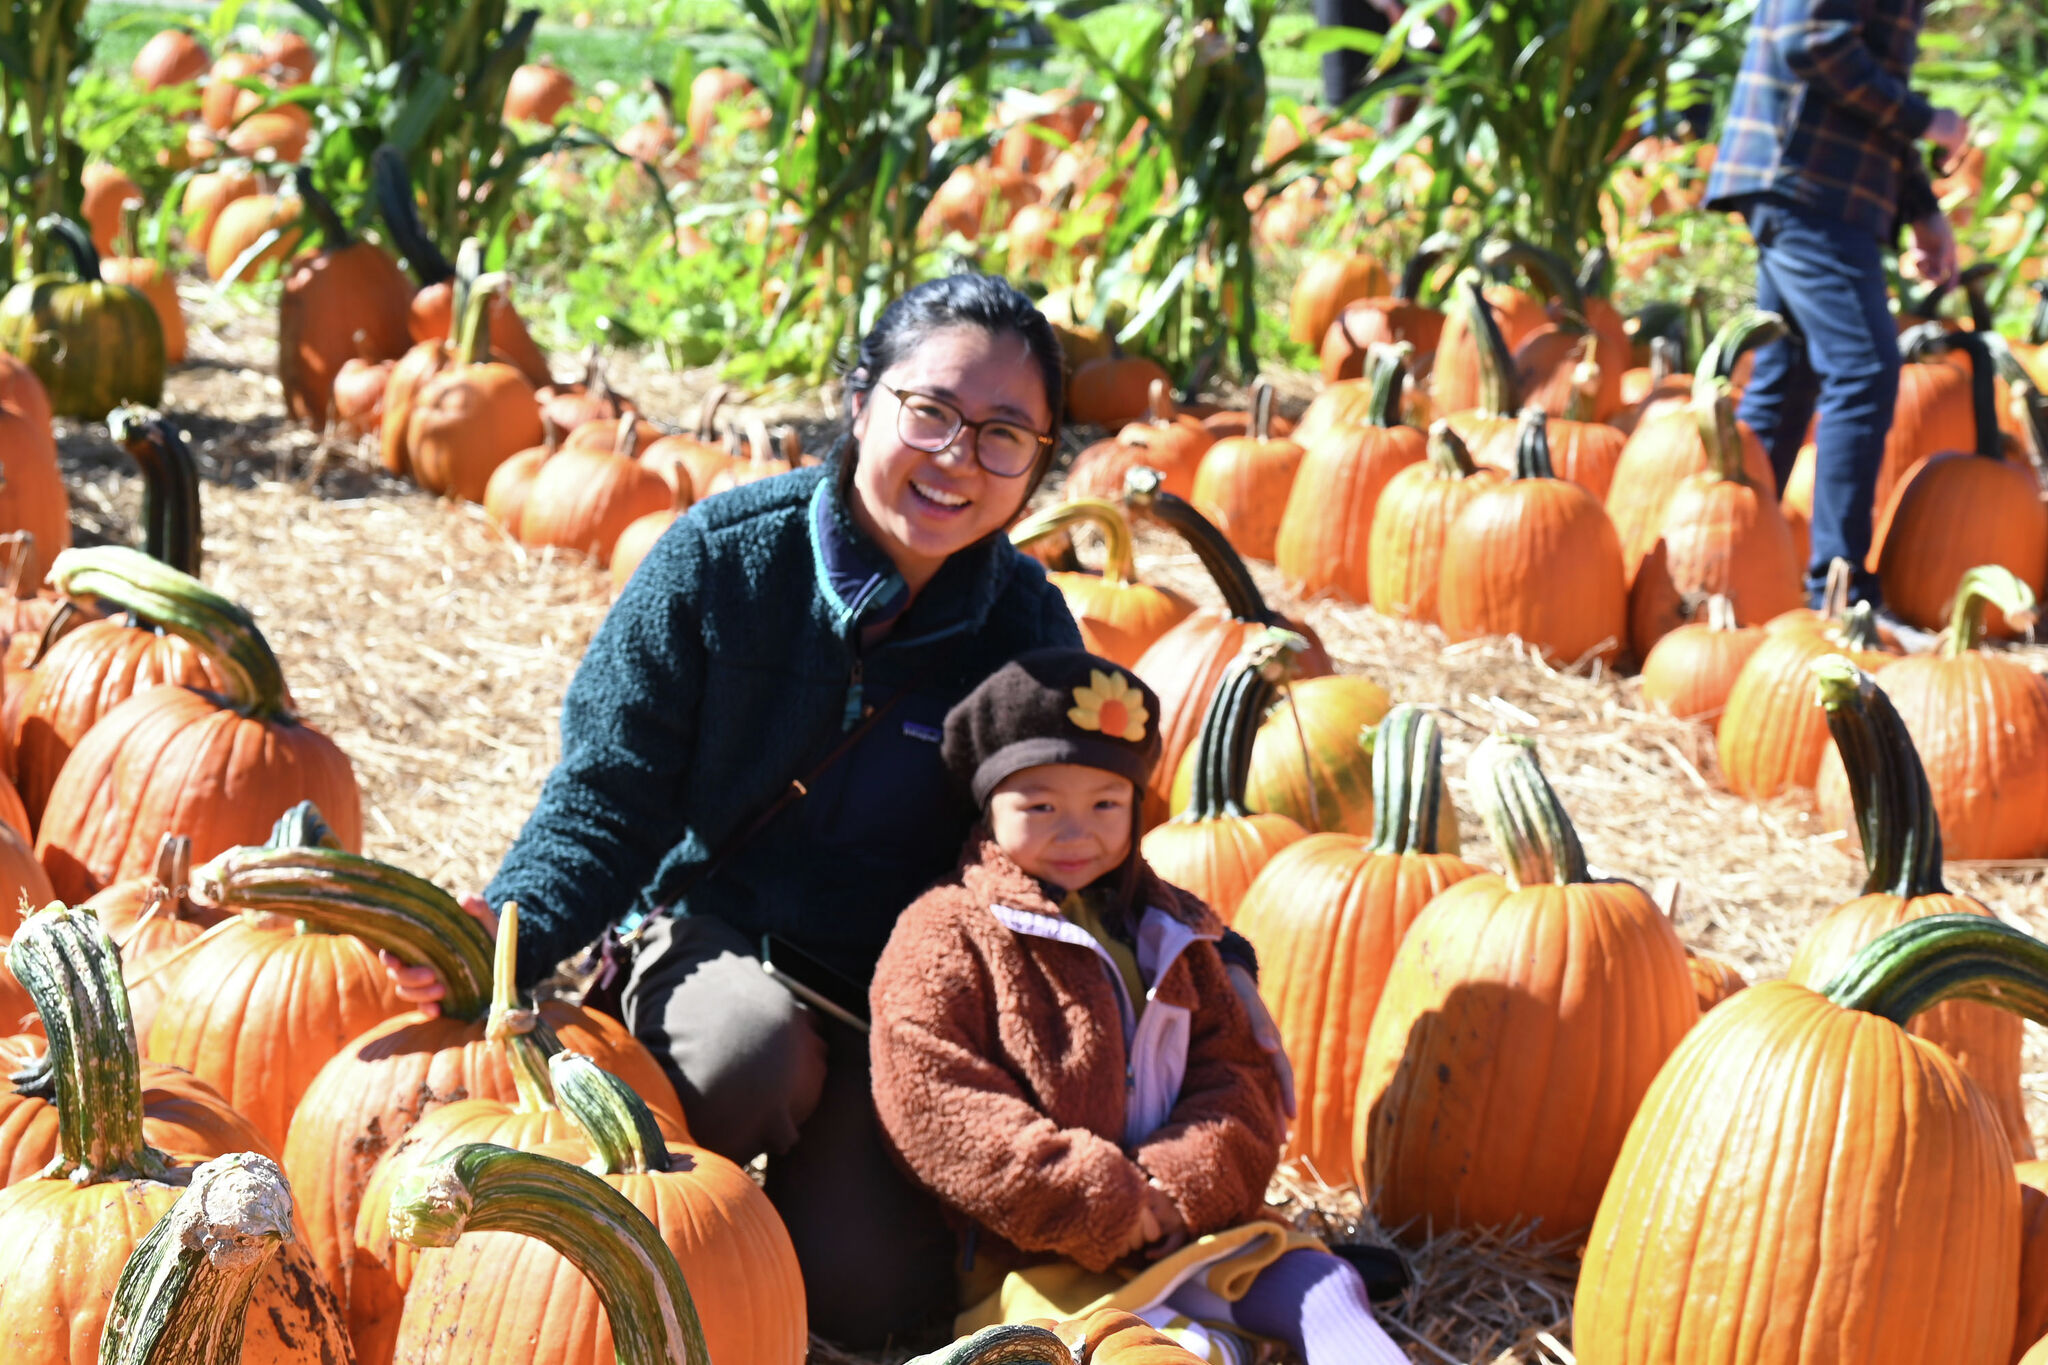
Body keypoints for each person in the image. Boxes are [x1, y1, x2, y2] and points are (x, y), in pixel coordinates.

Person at [382, 274, 1290, 1349]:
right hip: (716, 937)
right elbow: (609, 792)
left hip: (899, 1002)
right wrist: (510, 923)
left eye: (1005, 435)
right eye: (932, 412)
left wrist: (1194, 958)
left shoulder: (1025, 623)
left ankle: (786, 1215)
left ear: (1039, 464)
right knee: (747, 1057)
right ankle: (664, 1223)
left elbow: (1066, 837)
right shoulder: (721, 563)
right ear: (861, 400)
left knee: (875, 1307)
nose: (958, 457)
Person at [869, 650, 1406, 1365]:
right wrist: (1106, 1198)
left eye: (1104, 803)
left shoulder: (1171, 928)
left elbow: (1236, 1074)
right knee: (1148, 1349)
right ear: (988, 807)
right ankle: (1216, 1347)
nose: (1075, 831)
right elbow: (940, 1102)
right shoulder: (948, 930)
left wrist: (1176, 1186)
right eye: (1040, 805)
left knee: (1320, 1280)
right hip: (1041, 1255)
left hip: (1184, 1227)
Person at [1704, 0, 1970, 612]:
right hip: (1806, 181)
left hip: (1817, 183)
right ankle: (1839, 591)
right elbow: (1811, 40)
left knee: (1788, 377)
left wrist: (1923, 211)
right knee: (1864, 368)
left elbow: (1868, 85)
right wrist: (1929, 120)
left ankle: (1734, 580)